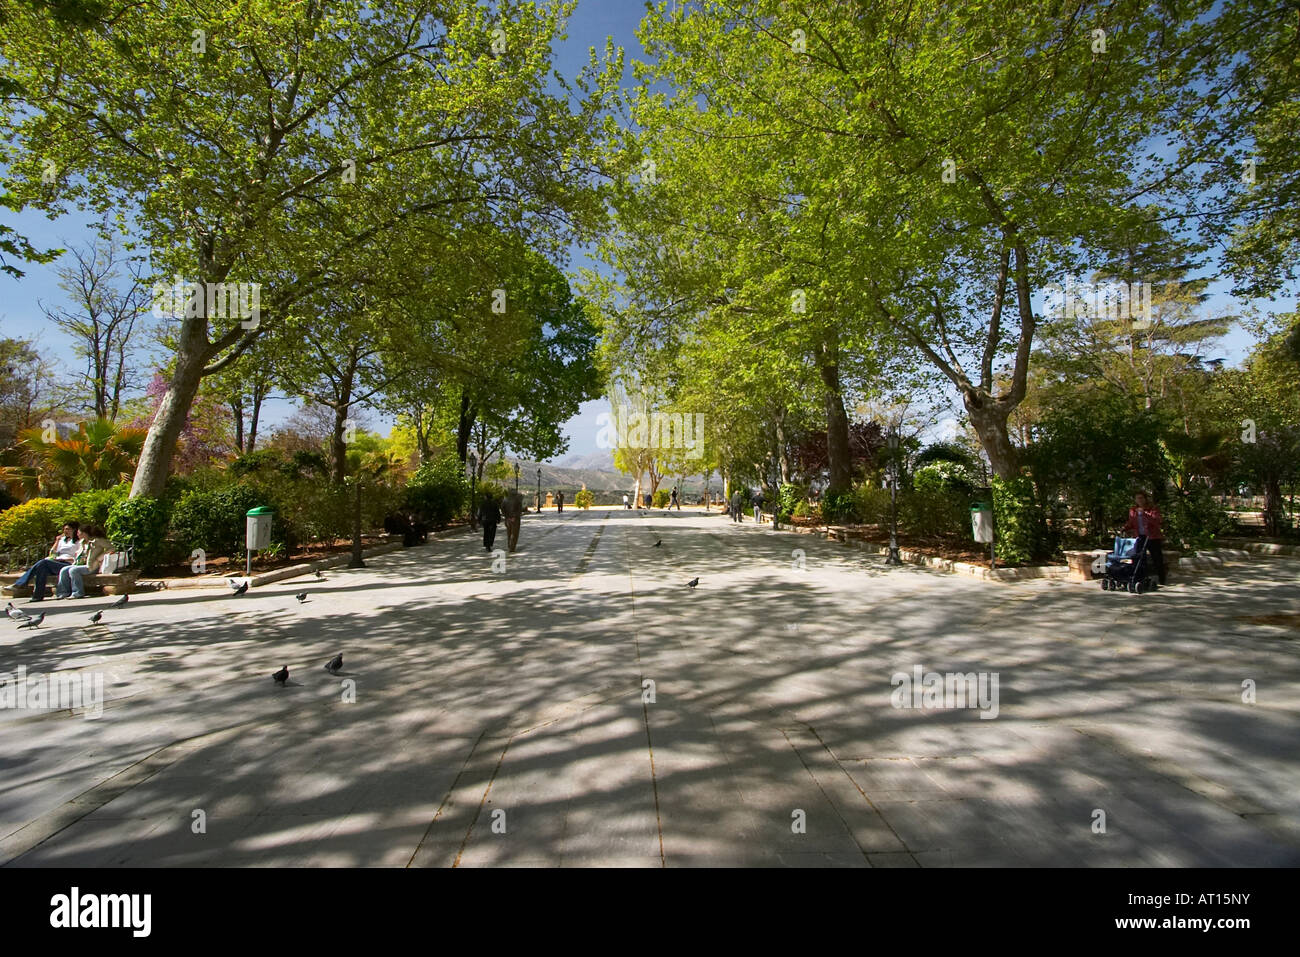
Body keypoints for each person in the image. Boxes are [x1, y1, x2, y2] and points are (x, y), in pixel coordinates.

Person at [13, 522, 80, 601]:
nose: (65, 531)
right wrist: (57, 541)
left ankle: (21, 583)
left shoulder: (78, 542)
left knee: (43, 563)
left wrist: (63, 559)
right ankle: (37, 596)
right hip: (56, 562)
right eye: (64, 529)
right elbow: (52, 553)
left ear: (74, 530)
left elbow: (77, 557)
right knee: (42, 569)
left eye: (68, 529)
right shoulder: (62, 540)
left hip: (68, 563)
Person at [1124, 490, 1166, 586]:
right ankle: (1140, 578)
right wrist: (1125, 527)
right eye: (1137, 498)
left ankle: (1162, 578)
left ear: (1145, 499)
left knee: (1157, 558)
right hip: (1139, 536)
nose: (1140, 500)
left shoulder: (1152, 509)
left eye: (1141, 498)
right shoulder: (1133, 510)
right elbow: (1131, 522)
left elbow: (1157, 521)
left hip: (1152, 536)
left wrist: (1145, 514)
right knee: (1139, 558)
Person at [56, 525, 110, 599]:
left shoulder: (97, 541)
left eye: (79, 532)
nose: (77, 534)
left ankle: (77, 592)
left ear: (84, 533)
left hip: (92, 566)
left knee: (73, 570)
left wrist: (100, 557)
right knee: (64, 569)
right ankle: (63, 592)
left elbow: (112, 548)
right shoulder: (82, 542)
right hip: (81, 564)